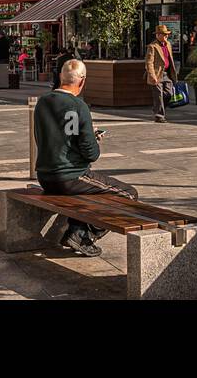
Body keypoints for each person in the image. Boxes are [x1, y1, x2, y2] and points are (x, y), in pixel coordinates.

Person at [34, 59, 138, 257]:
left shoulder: (43, 102)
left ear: (60, 77)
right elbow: (90, 152)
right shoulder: (78, 106)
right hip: (70, 176)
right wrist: (94, 139)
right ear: (81, 81)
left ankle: (78, 229)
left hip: (45, 175)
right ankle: (83, 234)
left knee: (91, 192)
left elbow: (61, 133)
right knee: (129, 195)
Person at [145, 24, 177, 123]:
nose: (166, 36)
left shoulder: (168, 45)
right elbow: (149, 62)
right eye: (164, 34)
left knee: (168, 93)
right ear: (157, 35)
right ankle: (159, 115)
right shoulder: (152, 46)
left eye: (167, 34)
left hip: (167, 74)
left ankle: (157, 108)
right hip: (157, 74)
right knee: (158, 95)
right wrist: (152, 75)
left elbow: (169, 59)